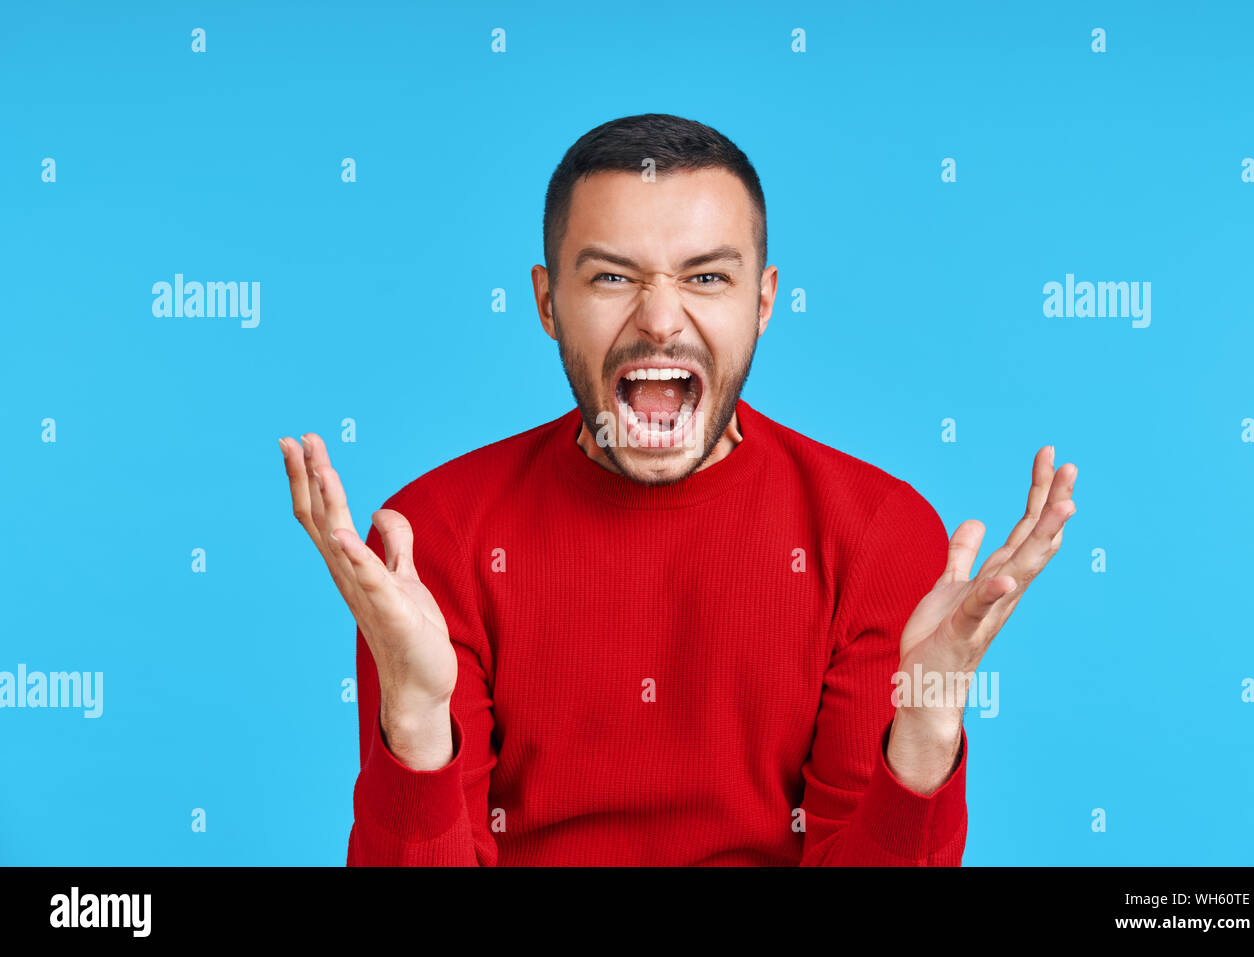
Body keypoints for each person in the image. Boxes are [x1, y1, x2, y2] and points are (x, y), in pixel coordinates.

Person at [278, 113, 1077, 866]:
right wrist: (414, 722)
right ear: (548, 303)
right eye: (612, 276)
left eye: (705, 275)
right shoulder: (433, 539)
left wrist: (927, 731)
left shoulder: (877, 532)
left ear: (762, 302)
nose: (660, 319)